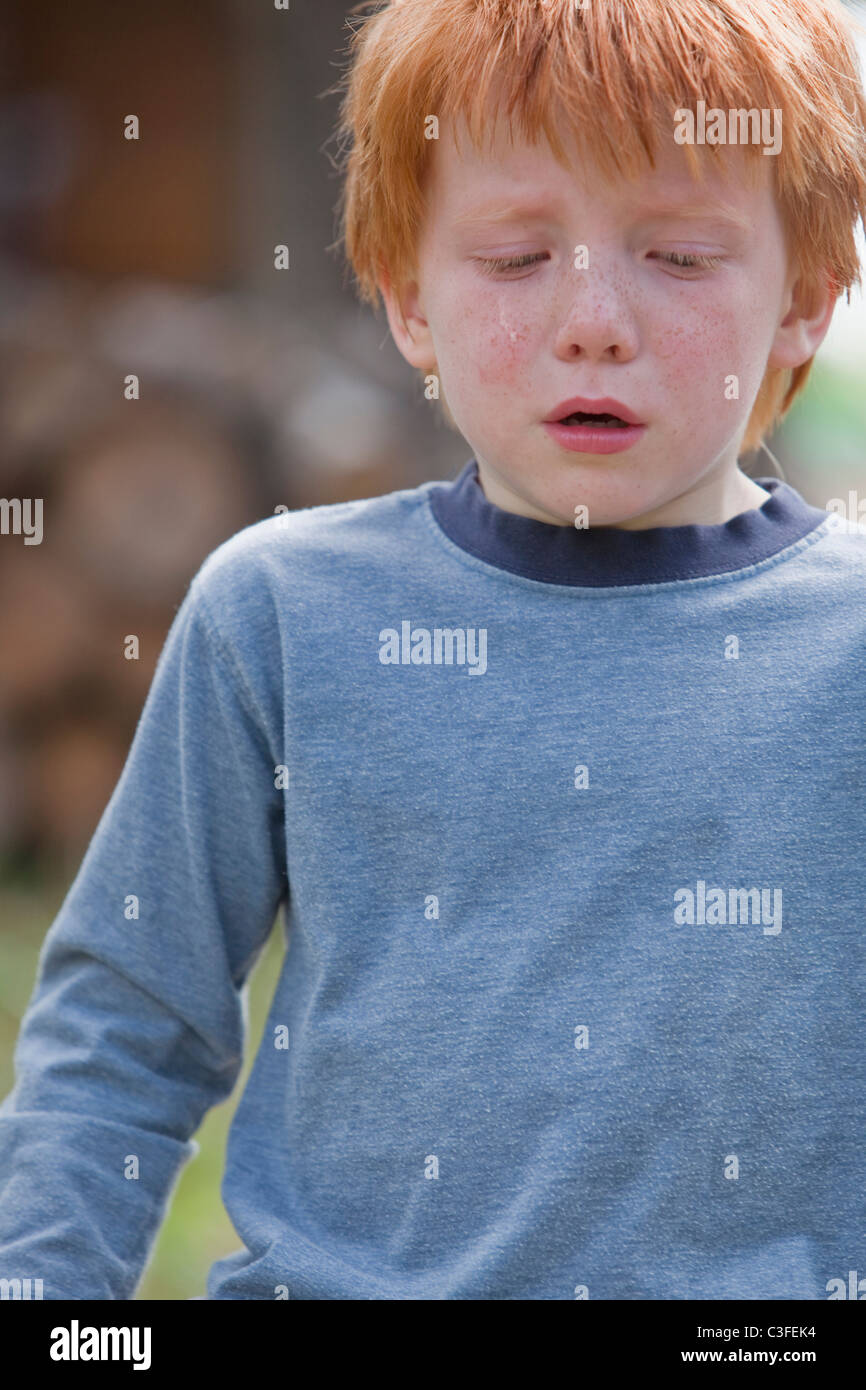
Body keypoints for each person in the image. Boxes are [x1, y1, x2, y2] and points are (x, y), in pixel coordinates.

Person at [2, 0, 866, 1300]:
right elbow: (127, 1026)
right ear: (407, 297)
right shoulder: (279, 613)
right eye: (517, 255)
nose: (592, 320)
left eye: (678, 256)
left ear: (803, 298)